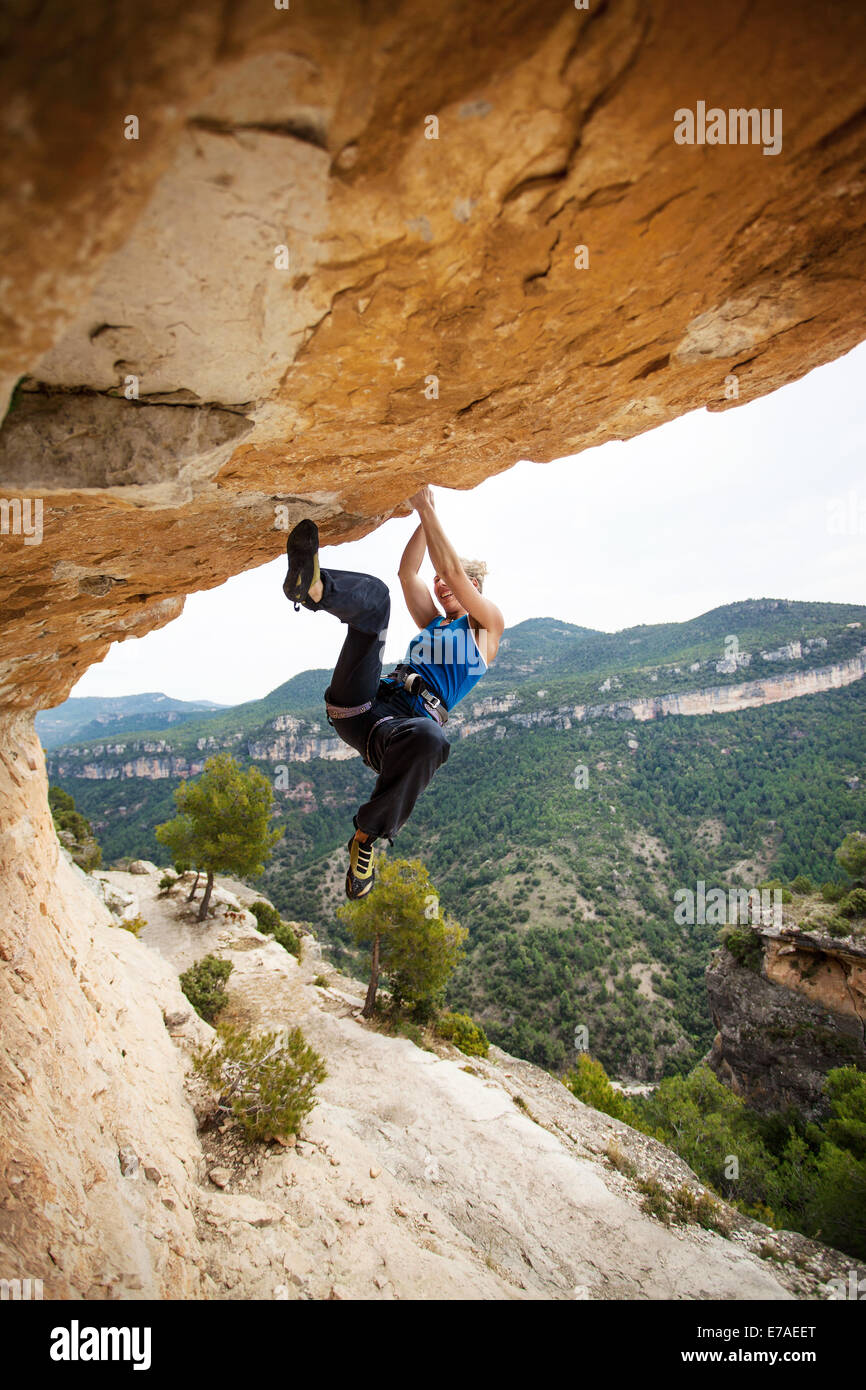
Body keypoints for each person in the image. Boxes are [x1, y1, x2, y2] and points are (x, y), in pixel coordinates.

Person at [283, 485, 504, 898]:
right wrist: (425, 515)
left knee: (431, 739)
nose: (440, 585)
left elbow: (452, 571)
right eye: (436, 581)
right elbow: (407, 574)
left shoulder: (485, 627)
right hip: (362, 703)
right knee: (378, 601)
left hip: (402, 727)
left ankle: (365, 840)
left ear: (475, 585)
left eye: (449, 581)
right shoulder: (433, 624)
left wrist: (426, 506)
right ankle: (314, 589)